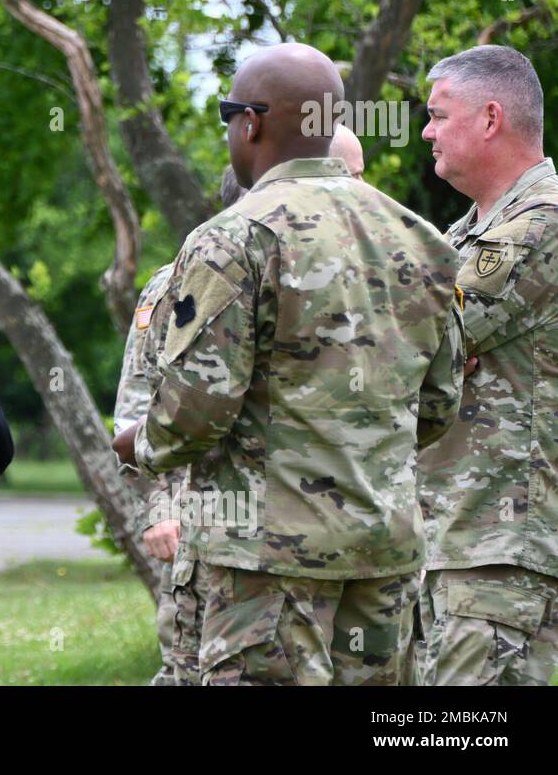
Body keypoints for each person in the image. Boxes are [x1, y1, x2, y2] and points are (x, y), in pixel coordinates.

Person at [117, 42, 464, 685]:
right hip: (383, 555)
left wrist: (140, 443)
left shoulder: (234, 236)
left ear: (251, 122)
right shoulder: (424, 239)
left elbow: (197, 410)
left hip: (267, 562)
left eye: (229, 115)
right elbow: (440, 405)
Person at [417, 44, 558, 685]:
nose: (425, 131)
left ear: (490, 117)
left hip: (503, 545)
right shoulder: (465, 233)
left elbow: (423, 336)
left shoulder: (541, 225)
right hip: (457, 537)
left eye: (438, 115)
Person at [113, 165, 245, 686]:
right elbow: (137, 409)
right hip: (201, 523)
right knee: (190, 667)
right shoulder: (178, 283)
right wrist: (160, 508)